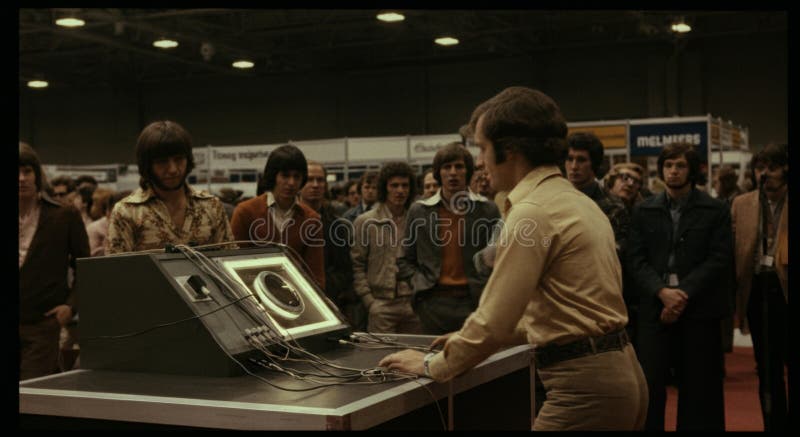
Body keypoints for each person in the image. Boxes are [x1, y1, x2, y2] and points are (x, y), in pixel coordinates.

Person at [381, 87, 646, 431]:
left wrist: (434, 365)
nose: (478, 161)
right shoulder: (574, 201)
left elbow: (494, 322)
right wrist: (464, 338)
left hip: (584, 390)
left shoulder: (531, 212)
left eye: (482, 148)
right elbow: (556, 312)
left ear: (509, 151)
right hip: (618, 375)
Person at [627, 142, 733, 431]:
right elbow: (635, 260)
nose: (673, 171)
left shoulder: (715, 209)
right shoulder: (644, 210)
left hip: (698, 309)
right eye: (669, 165)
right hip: (654, 308)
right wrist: (662, 292)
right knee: (649, 390)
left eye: (680, 165)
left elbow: (719, 259)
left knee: (701, 391)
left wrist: (682, 294)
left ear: (694, 170)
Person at [397, 142, 500, 335]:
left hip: (475, 301)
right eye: (446, 167)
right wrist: (419, 284)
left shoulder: (487, 210)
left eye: (459, 167)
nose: (453, 173)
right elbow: (404, 259)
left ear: (468, 172)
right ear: (438, 173)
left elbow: (499, 258)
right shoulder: (419, 210)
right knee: (432, 361)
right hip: (433, 302)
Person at [106, 120, 234, 254]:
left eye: (179, 159)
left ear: (188, 160)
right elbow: (117, 271)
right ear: (147, 165)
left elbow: (230, 260)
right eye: (162, 162)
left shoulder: (211, 206)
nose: (173, 169)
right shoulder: (127, 212)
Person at [19, 142, 90, 380]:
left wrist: (71, 306)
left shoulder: (64, 215)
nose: (21, 178)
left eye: (27, 171)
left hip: (43, 323)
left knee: (30, 395)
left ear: (37, 175)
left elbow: (85, 267)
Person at [730, 143, 788, 431]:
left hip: (786, 292)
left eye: (773, 168)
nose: (765, 174)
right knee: (767, 369)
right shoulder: (742, 203)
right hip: (758, 293)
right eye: (760, 168)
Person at [231, 144, 325, 289]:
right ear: (273, 176)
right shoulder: (245, 212)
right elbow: (234, 263)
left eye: (297, 176)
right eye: (285, 175)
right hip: (252, 293)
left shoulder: (311, 219)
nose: (291, 183)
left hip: (297, 296)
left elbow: (315, 274)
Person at [351, 162, 423, 334]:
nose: (400, 190)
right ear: (385, 188)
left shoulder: (418, 219)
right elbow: (357, 263)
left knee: (414, 354)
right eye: (394, 185)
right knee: (380, 357)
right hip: (381, 303)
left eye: (405, 185)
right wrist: (369, 300)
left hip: (413, 301)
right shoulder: (365, 221)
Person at [299, 161, 364, 330]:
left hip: (329, 301)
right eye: (309, 180)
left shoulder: (337, 224)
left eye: (320, 180)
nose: (315, 185)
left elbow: (345, 269)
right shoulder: (287, 221)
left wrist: (326, 289)